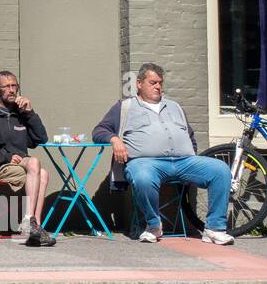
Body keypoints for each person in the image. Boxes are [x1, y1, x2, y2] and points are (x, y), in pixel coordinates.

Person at [93, 62, 234, 245]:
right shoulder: (125, 107)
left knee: (220, 170)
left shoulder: (174, 106)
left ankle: (214, 229)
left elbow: (189, 135)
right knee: (143, 177)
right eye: (153, 83)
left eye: (160, 83)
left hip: (184, 161)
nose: (158, 87)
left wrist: (190, 153)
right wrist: (115, 140)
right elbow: (99, 130)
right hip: (146, 162)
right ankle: (153, 225)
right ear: (139, 83)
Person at [0, 70, 55, 246]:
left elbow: (41, 139)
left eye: (14, 86)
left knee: (44, 174)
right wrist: (7, 156)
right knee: (34, 163)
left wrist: (30, 113)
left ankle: (34, 227)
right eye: (7, 86)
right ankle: (29, 222)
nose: (11, 90)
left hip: (20, 167)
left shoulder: (21, 112)